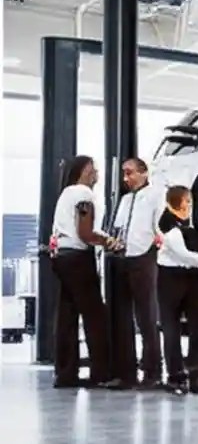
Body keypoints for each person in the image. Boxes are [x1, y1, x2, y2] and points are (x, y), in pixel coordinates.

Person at [49, 156, 121, 388]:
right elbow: (85, 233)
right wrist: (109, 241)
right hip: (78, 259)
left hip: (61, 257)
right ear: (82, 172)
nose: (96, 173)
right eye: (92, 169)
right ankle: (101, 374)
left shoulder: (66, 193)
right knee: (95, 317)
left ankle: (65, 374)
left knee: (67, 317)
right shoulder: (83, 194)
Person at [105, 157, 166, 390]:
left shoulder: (155, 195)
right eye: (124, 174)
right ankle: (125, 373)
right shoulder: (125, 199)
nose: (126, 178)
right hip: (123, 259)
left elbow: (160, 228)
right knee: (122, 318)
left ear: (144, 172)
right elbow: (119, 228)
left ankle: (152, 372)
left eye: (130, 173)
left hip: (145, 257)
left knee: (147, 317)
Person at [156, 186, 198, 397]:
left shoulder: (197, 225)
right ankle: (175, 377)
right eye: (187, 201)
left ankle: (196, 379)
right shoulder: (168, 226)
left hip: (195, 279)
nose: (189, 205)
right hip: (171, 277)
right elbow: (182, 254)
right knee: (171, 327)